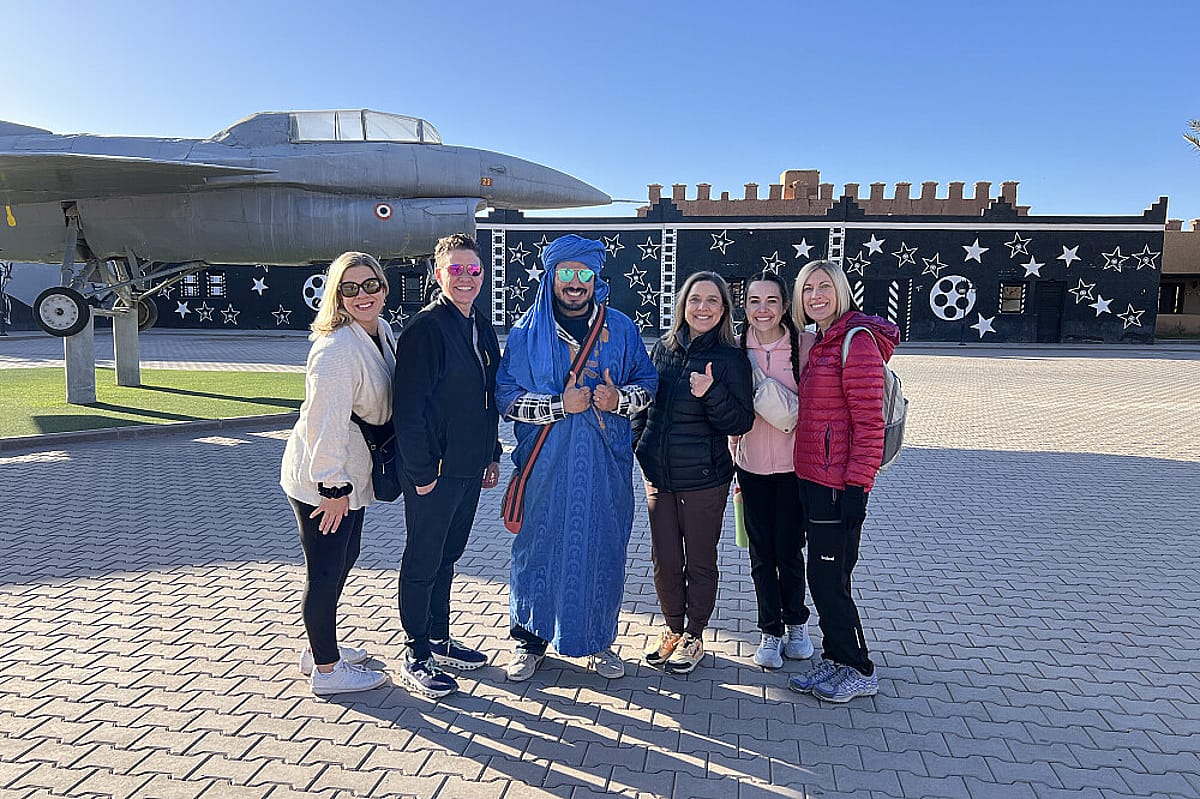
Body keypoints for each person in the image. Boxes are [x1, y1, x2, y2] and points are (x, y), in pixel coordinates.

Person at [495, 235, 658, 682]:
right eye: (565, 273)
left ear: (595, 278)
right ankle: (528, 640)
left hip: (605, 464)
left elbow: (648, 383)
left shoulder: (621, 328)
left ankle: (597, 641)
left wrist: (618, 399)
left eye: (583, 274)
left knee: (602, 546)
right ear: (551, 277)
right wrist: (557, 406)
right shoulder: (527, 333)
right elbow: (505, 396)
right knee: (536, 547)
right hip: (545, 462)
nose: (574, 283)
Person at [392, 233, 502, 699]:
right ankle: (415, 652)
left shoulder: (478, 324)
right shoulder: (426, 329)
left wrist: (491, 453)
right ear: (439, 274)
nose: (466, 278)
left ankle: (439, 638)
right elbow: (408, 409)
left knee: (448, 556)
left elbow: (485, 398)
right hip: (433, 471)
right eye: (456, 270)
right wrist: (421, 472)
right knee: (422, 559)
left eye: (473, 270)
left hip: (468, 465)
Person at [280, 251, 395, 696]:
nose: (362, 295)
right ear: (336, 296)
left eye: (370, 285)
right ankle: (327, 672)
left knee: (343, 559)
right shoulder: (335, 350)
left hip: (350, 471)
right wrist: (331, 486)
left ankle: (318, 647)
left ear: (383, 288)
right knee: (326, 570)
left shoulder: (380, 331)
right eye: (350, 288)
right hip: (324, 477)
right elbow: (322, 422)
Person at [786, 260, 898, 704]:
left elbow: (869, 424)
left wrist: (858, 489)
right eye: (808, 289)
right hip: (814, 479)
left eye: (824, 287)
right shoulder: (822, 340)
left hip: (838, 486)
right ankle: (836, 657)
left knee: (830, 579)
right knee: (825, 575)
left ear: (842, 291)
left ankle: (859, 667)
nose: (815, 296)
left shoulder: (857, 341)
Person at [634, 271, 755, 675]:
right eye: (695, 300)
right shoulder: (664, 347)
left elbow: (739, 421)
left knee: (699, 562)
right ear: (683, 305)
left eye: (712, 301)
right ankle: (672, 629)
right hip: (659, 475)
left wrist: (711, 392)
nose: (702, 308)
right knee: (665, 560)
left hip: (704, 478)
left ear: (723, 311)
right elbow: (645, 403)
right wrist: (639, 445)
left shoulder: (731, 357)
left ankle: (695, 635)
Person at [732, 271, 816, 670]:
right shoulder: (733, 348)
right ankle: (770, 630)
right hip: (750, 469)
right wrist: (734, 463)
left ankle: (797, 623)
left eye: (770, 301)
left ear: (785, 306)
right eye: (753, 301)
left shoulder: (806, 346)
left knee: (789, 550)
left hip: (794, 469)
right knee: (761, 553)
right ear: (744, 306)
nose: (762, 310)